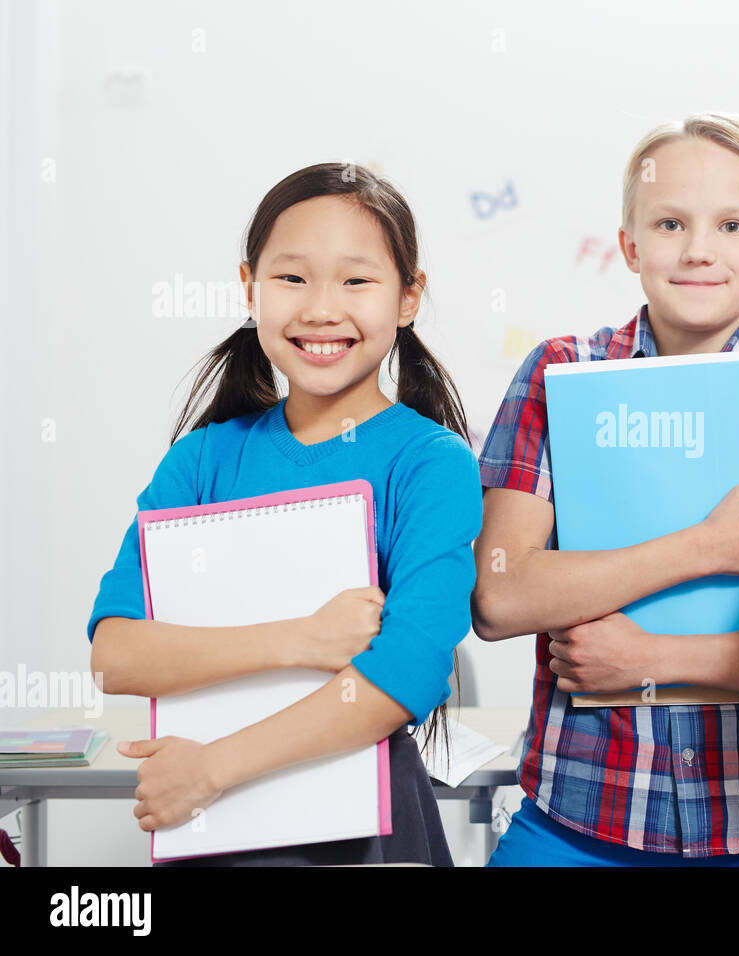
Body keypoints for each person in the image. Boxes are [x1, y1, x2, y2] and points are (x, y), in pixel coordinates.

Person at [475, 112, 739, 865]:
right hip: (582, 816)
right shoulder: (561, 374)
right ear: (630, 246)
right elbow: (500, 596)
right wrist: (710, 545)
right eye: (671, 222)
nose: (699, 250)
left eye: (733, 225)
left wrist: (650, 657)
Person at [87, 162, 480, 866]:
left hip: (361, 827)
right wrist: (302, 639)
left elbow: (405, 675)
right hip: (214, 823)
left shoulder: (431, 463)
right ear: (250, 290)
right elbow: (117, 655)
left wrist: (210, 769)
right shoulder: (201, 461)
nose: (321, 309)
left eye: (357, 280)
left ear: (408, 296)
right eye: (292, 279)